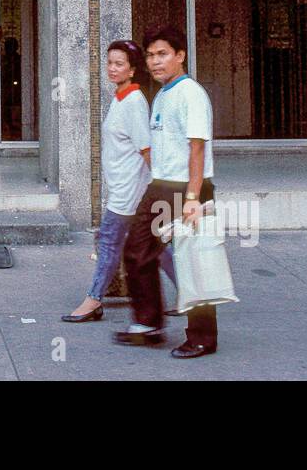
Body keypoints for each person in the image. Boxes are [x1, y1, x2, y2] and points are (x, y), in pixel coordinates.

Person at [115, 24, 219, 359]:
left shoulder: (191, 93)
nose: (155, 61)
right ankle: (149, 323)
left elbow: (197, 149)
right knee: (136, 250)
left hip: (188, 188)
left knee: (193, 264)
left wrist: (192, 199)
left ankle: (202, 338)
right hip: (161, 186)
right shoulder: (163, 93)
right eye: (150, 55)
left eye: (163, 54)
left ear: (180, 56)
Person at [63, 40, 151, 322]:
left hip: (129, 189)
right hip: (122, 185)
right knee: (156, 247)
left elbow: (146, 149)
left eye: (119, 64)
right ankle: (189, 296)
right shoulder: (120, 97)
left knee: (109, 240)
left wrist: (159, 187)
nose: (112, 68)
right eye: (110, 63)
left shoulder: (135, 102)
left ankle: (93, 300)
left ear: (133, 69)